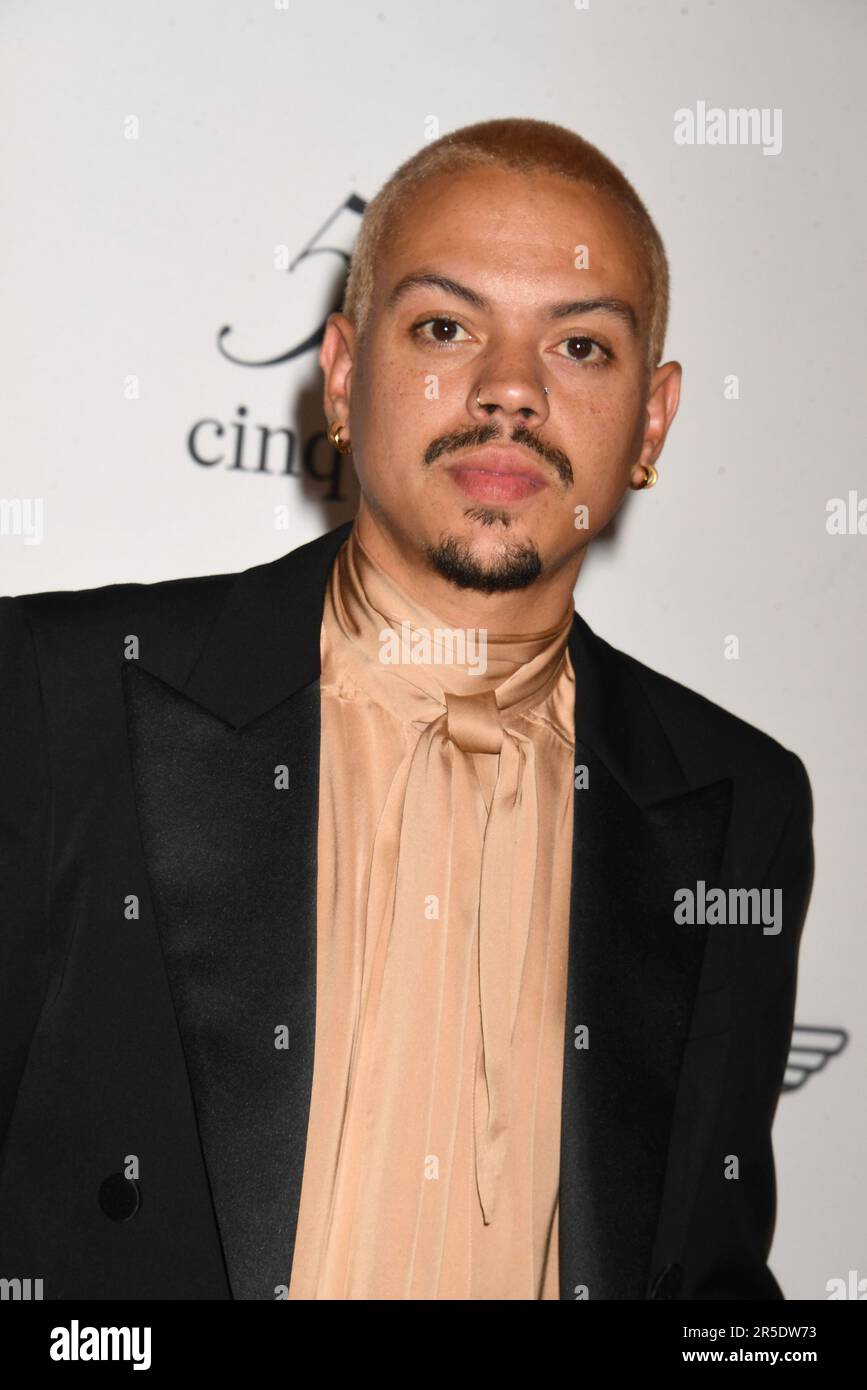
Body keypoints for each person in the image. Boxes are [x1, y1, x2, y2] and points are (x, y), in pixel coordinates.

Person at [0, 117, 813, 1300]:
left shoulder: (739, 801)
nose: (511, 392)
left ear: (652, 421)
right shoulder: (57, 695)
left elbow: (708, 1281)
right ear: (341, 373)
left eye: (581, 347)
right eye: (445, 327)